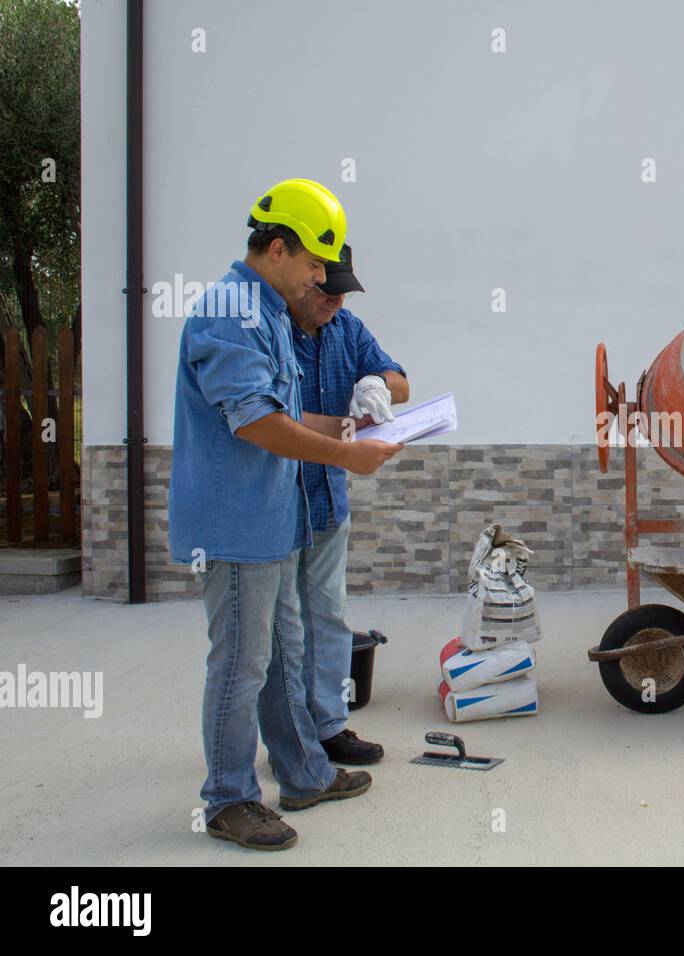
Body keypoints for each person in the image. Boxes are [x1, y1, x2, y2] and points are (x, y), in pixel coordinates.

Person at [169, 178, 402, 851]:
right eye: (312, 265)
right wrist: (343, 454)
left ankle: (303, 772)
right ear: (277, 249)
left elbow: (290, 415)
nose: (317, 280)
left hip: (271, 521)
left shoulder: (265, 310)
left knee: (282, 656)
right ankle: (229, 800)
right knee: (242, 664)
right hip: (235, 528)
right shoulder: (230, 311)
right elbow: (256, 423)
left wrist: (353, 433)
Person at [288, 243, 408, 765]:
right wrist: (347, 432)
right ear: (303, 279)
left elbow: (402, 382)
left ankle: (330, 726)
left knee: (328, 615)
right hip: (278, 499)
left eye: (343, 292)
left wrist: (376, 381)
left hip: (328, 498)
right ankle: (288, 736)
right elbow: (280, 419)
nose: (335, 301)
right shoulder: (274, 332)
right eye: (327, 291)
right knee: (282, 626)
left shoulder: (347, 329)